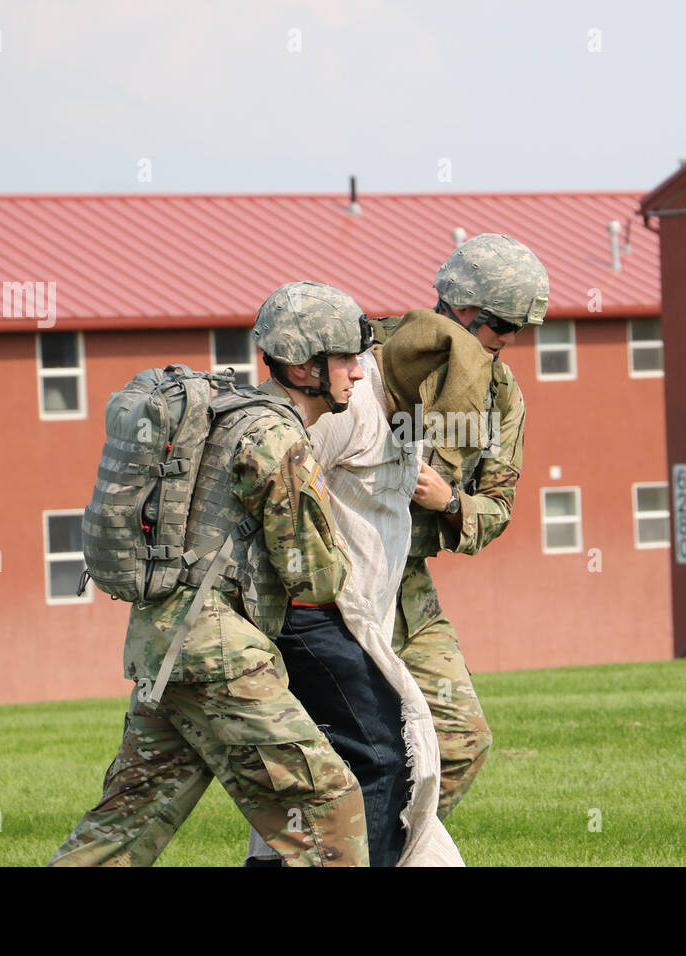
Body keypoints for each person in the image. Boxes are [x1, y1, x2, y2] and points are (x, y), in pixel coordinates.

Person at [48, 283, 371, 867]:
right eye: (345, 358)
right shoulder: (276, 438)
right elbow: (315, 579)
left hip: (167, 650)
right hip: (218, 657)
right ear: (304, 365)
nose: (358, 372)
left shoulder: (228, 415)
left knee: (123, 826)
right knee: (329, 807)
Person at [245, 297, 481, 867]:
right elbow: (277, 491)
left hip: (356, 622)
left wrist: (451, 502)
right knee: (381, 757)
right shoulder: (336, 412)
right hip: (316, 621)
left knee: (334, 774)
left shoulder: (405, 415)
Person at [371, 233, 548, 819]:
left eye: (519, 330)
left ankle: (393, 850)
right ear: (464, 306)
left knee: (463, 740)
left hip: (408, 590)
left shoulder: (501, 396)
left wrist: (450, 502)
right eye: (503, 325)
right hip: (333, 584)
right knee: (348, 753)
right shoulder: (372, 356)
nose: (508, 341)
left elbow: (498, 506)